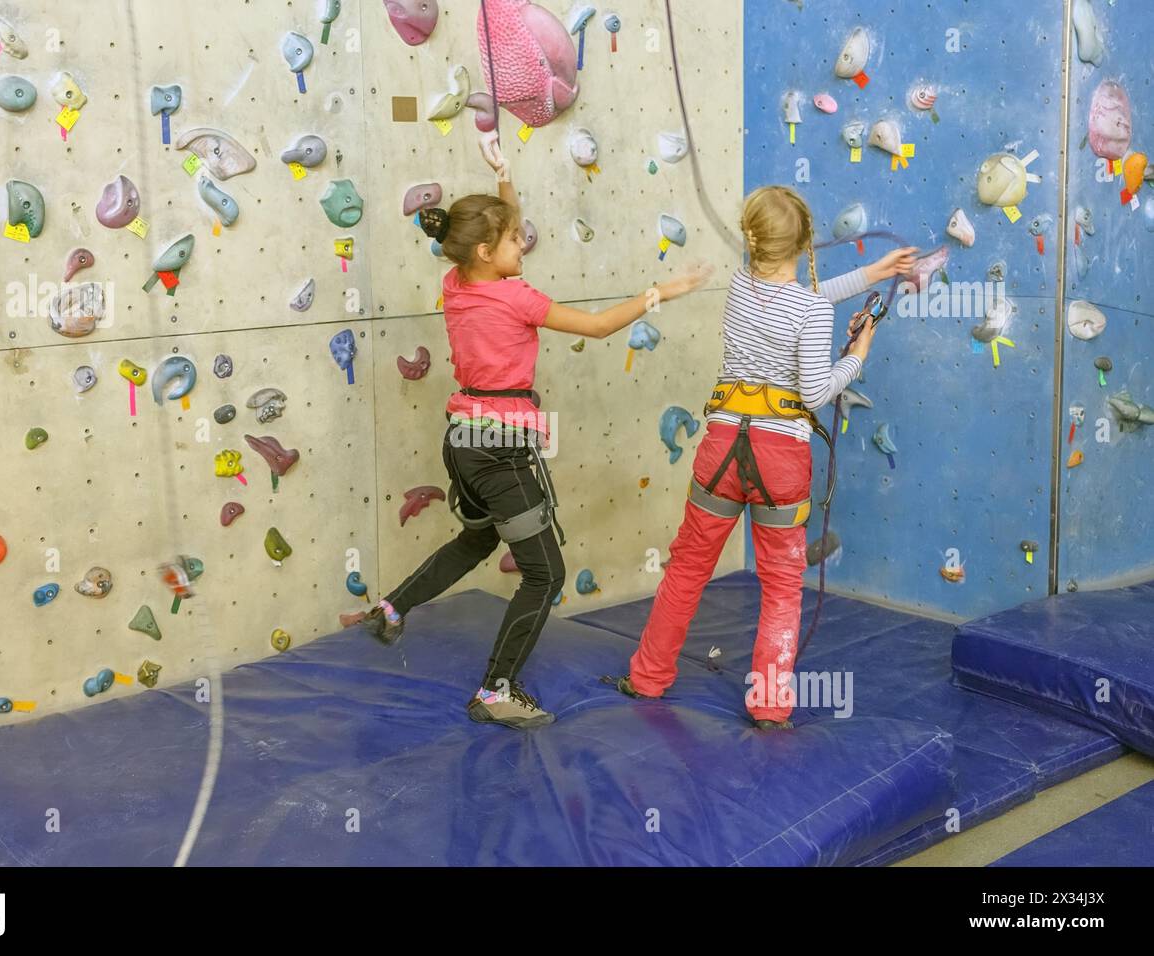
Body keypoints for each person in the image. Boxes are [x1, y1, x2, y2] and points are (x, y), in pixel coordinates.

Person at [342, 133, 712, 730]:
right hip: (500, 449)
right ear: (487, 249)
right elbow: (594, 326)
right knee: (545, 575)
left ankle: (392, 606)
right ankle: (495, 691)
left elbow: (494, 242)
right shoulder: (518, 298)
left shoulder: (456, 285)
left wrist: (504, 176)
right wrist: (659, 293)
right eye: (517, 238)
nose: (525, 243)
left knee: (476, 541)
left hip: (462, 441)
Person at [611, 185, 916, 729]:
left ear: (753, 240)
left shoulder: (739, 285)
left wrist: (871, 275)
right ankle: (770, 705)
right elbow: (817, 390)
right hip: (779, 456)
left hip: (723, 446)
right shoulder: (810, 308)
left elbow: (804, 297)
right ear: (806, 246)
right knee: (781, 585)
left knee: (686, 569)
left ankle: (648, 676)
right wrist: (858, 356)